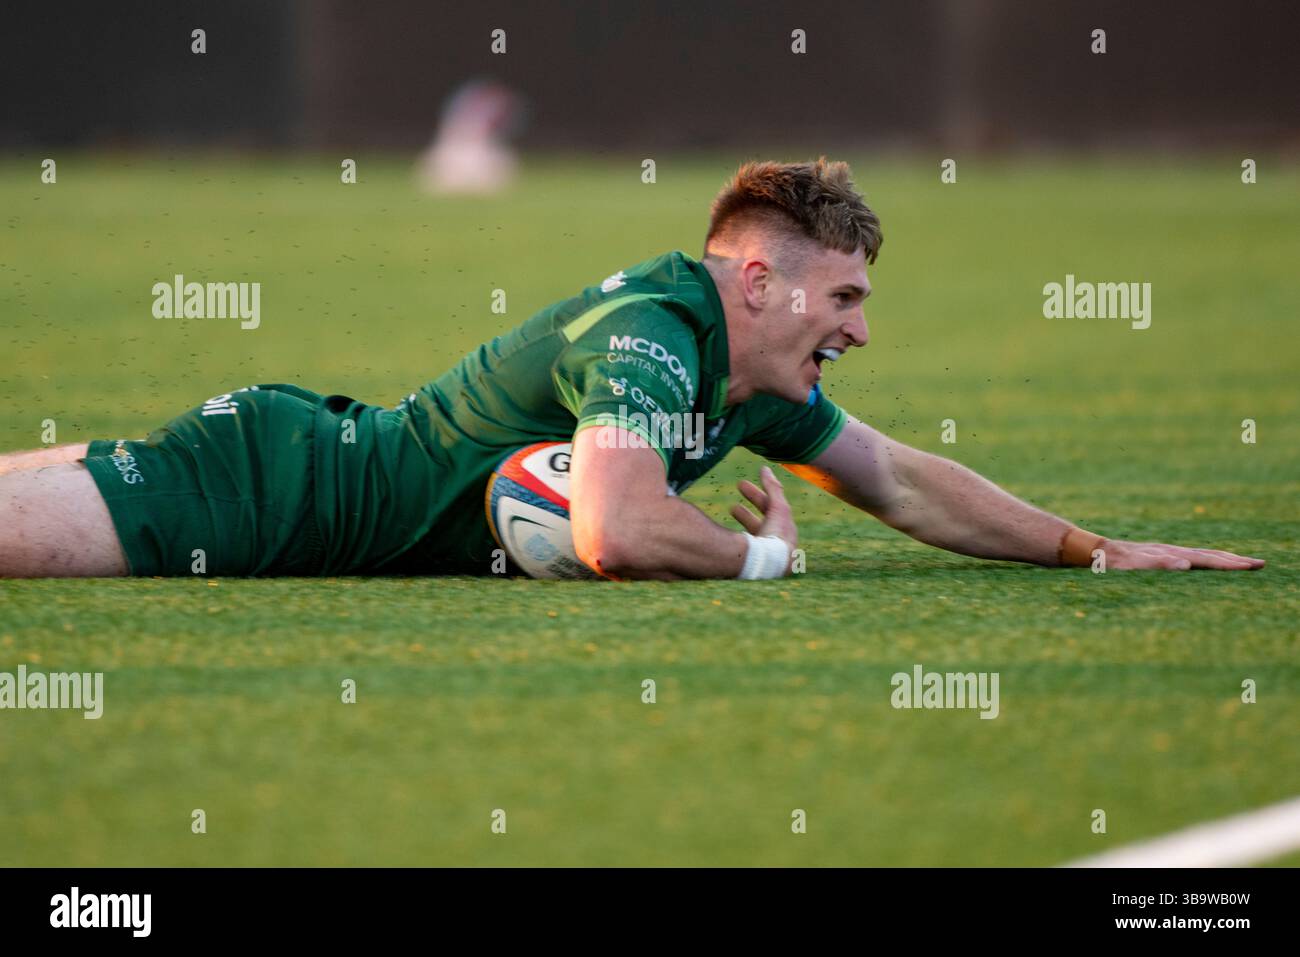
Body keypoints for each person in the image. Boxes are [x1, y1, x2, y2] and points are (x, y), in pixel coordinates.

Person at [0, 159, 1264, 579]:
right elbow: (609, 530)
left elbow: (899, 481)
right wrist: (763, 559)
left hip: (294, 468)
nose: (860, 332)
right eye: (846, 298)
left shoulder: (751, 379)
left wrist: (1091, 550)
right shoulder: (652, 333)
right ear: (757, 282)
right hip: (260, 497)